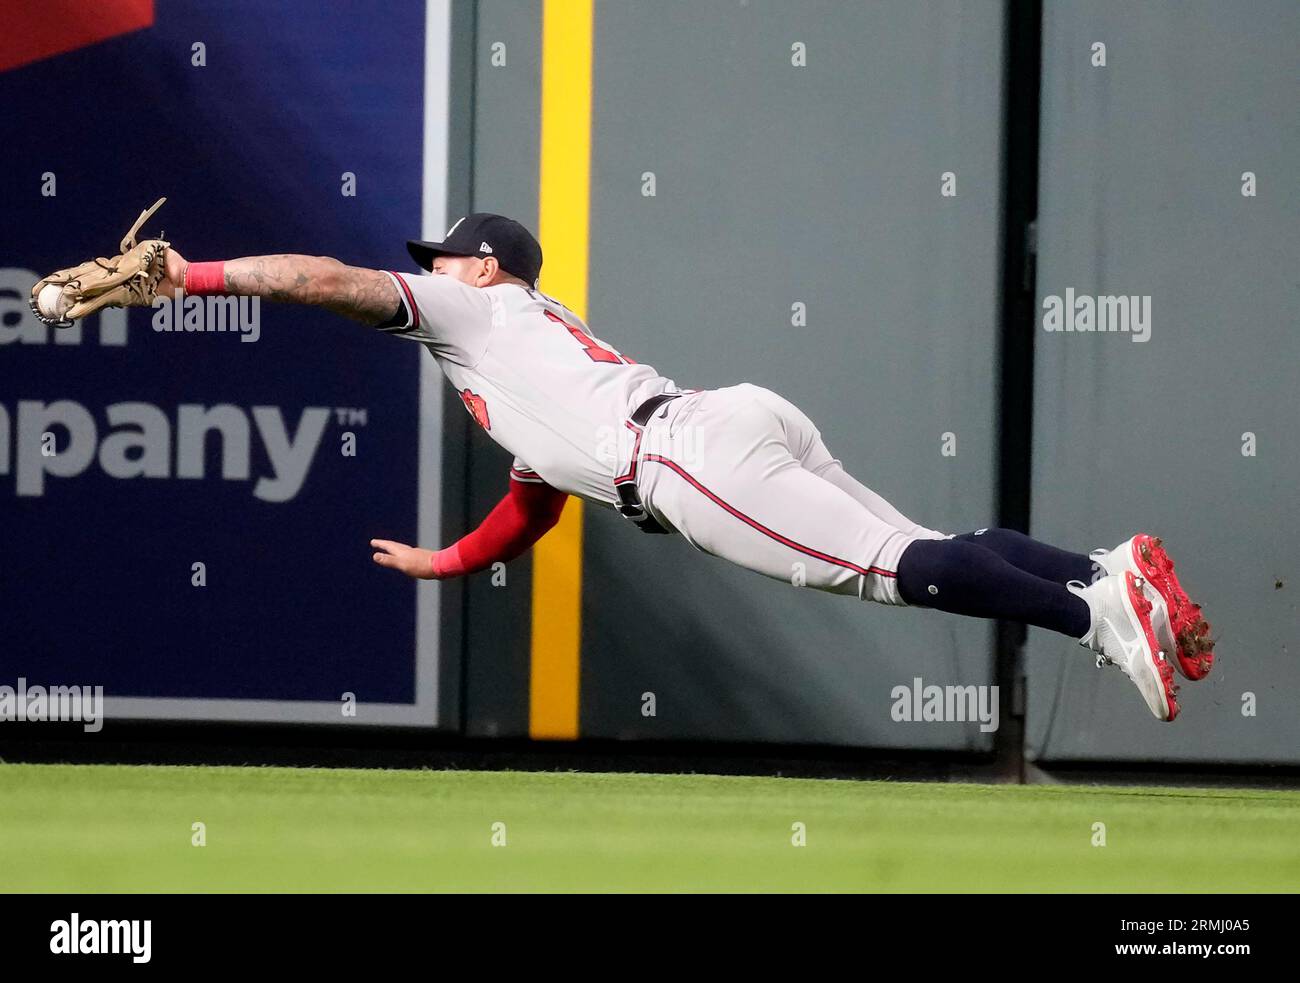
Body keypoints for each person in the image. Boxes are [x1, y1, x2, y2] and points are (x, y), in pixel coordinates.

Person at [156, 213, 1213, 721]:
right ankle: (1100, 569)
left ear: (482, 265)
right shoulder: (511, 350)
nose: (423, 265)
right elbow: (536, 497)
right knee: (927, 547)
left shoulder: (470, 308)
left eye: (440, 253)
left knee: (899, 568)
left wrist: (191, 273)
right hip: (723, 421)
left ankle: (1096, 614)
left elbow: (326, 278)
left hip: (684, 463)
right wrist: (452, 560)